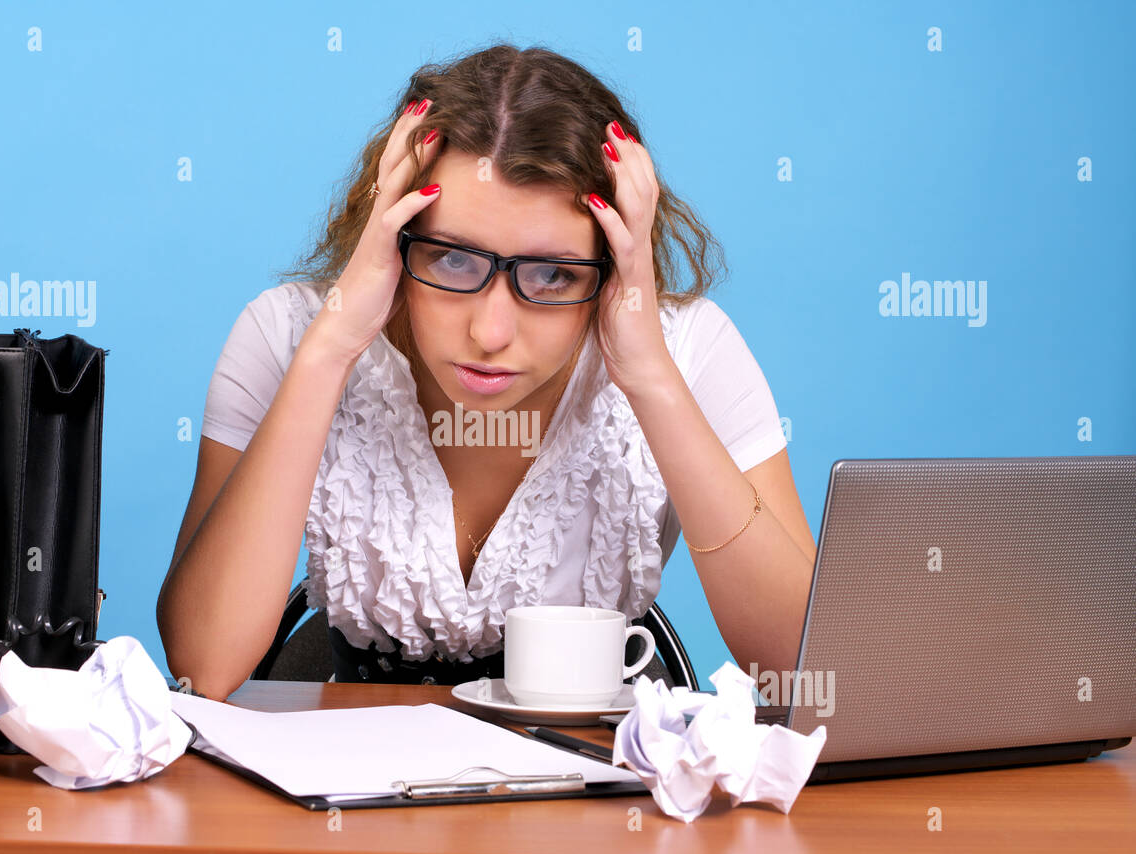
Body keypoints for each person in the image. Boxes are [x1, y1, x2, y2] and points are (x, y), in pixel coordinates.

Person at [157, 44, 818, 701]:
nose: (490, 332)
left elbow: (803, 672)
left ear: (613, 265)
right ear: (393, 234)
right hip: (360, 791)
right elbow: (201, 667)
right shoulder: (287, 337)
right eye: (451, 259)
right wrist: (329, 349)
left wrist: (650, 377)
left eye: (554, 273)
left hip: (598, 784)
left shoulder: (690, 350)